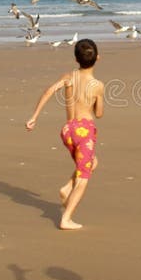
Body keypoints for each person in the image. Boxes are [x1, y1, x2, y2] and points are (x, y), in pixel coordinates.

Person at [26, 38, 104, 230]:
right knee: (84, 177)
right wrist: (96, 100)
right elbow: (99, 113)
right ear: (98, 58)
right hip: (84, 133)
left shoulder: (69, 76)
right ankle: (66, 219)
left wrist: (34, 116)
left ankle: (67, 188)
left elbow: (49, 91)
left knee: (92, 163)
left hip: (68, 130)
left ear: (76, 59)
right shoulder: (97, 85)